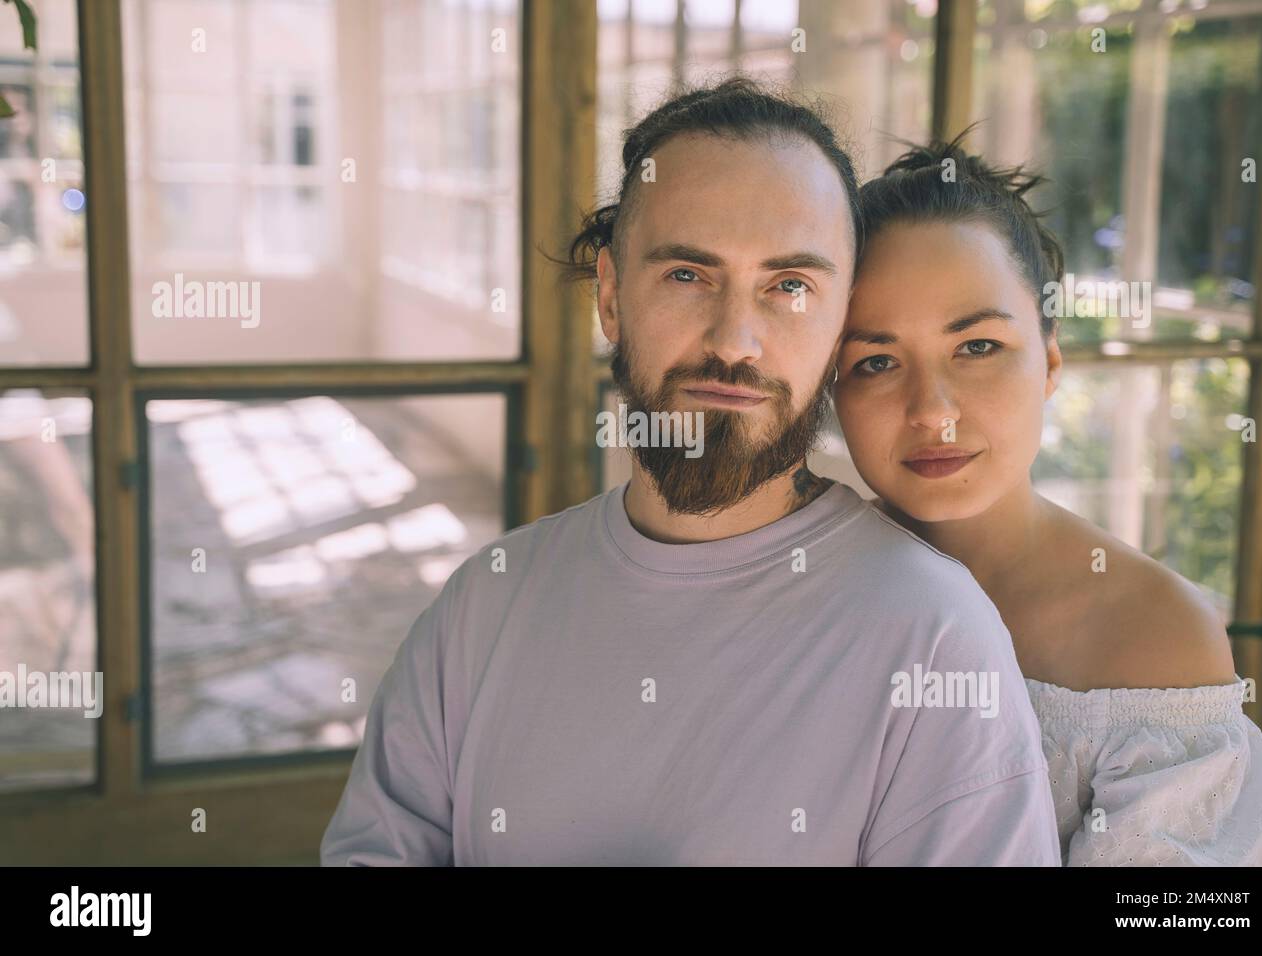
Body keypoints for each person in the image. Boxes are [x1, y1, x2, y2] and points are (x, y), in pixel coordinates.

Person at [321, 79, 1060, 866]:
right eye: (687, 275)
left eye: (790, 287)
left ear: (840, 320)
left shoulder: (937, 640)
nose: (736, 340)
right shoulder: (482, 604)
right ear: (610, 296)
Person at [834, 135, 1262, 866]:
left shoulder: (1155, 638)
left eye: (977, 346)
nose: (932, 410)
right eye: (875, 361)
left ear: (1048, 360)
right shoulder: (799, 586)